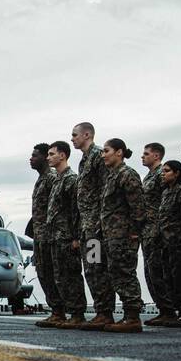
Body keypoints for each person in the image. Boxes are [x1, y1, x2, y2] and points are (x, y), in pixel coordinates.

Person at [96, 138, 148, 332]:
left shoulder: (127, 175)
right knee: (117, 274)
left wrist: (134, 232)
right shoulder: (112, 176)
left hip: (124, 235)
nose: (103, 155)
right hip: (111, 235)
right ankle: (128, 315)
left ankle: (133, 316)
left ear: (119, 152)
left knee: (125, 274)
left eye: (106, 151)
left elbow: (139, 208)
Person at [40, 141, 87, 328]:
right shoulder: (58, 180)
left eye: (52, 154)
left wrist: (76, 237)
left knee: (71, 275)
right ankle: (65, 313)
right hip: (56, 238)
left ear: (63, 155)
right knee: (60, 276)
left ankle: (77, 313)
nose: (48, 157)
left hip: (67, 238)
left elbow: (76, 210)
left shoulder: (70, 179)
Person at [72, 121, 115, 326]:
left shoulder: (98, 156)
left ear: (87, 135)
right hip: (87, 227)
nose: (72, 139)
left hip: (96, 227)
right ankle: (101, 311)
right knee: (91, 268)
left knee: (97, 268)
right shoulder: (85, 160)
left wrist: (100, 222)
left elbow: (107, 189)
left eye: (75, 135)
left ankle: (104, 312)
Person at [28, 143, 63, 326]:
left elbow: (56, 208)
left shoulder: (51, 178)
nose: (31, 159)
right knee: (43, 273)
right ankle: (56, 311)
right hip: (40, 236)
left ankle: (60, 311)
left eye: (35, 156)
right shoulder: (42, 179)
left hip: (50, 235)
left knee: (53, 273)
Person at [155, 160, 181, 325]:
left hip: (178, 241)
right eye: (163, 171)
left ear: (177, 173)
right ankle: (174, 311)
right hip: (166, 241)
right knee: (168, 277)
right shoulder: (165, 193)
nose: (163, 174)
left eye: (167, 171)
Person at [140, 142, 173, 324]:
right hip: (148, 230)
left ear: (156, 156)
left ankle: (168, 309)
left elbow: (166, 200)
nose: (142, 156)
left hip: (157, 229)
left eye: (146, 154)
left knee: (158, 270)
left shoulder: (162, 175)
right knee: (151, 271)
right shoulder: (149, 176)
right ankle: (163, 309)